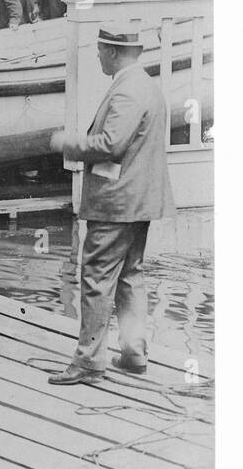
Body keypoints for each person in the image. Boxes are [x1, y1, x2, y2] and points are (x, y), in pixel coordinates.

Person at [47, 30, 175, 384]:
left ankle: (88, 361)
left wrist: (68, 143)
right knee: (131, 275)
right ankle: (134, 354)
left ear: (114, 52)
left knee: (96, 279)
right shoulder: (147, 86)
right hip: (139, 201)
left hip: (116, 203)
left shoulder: (128, 89)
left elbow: (110, 143)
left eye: (100, 51)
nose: (98, 57)